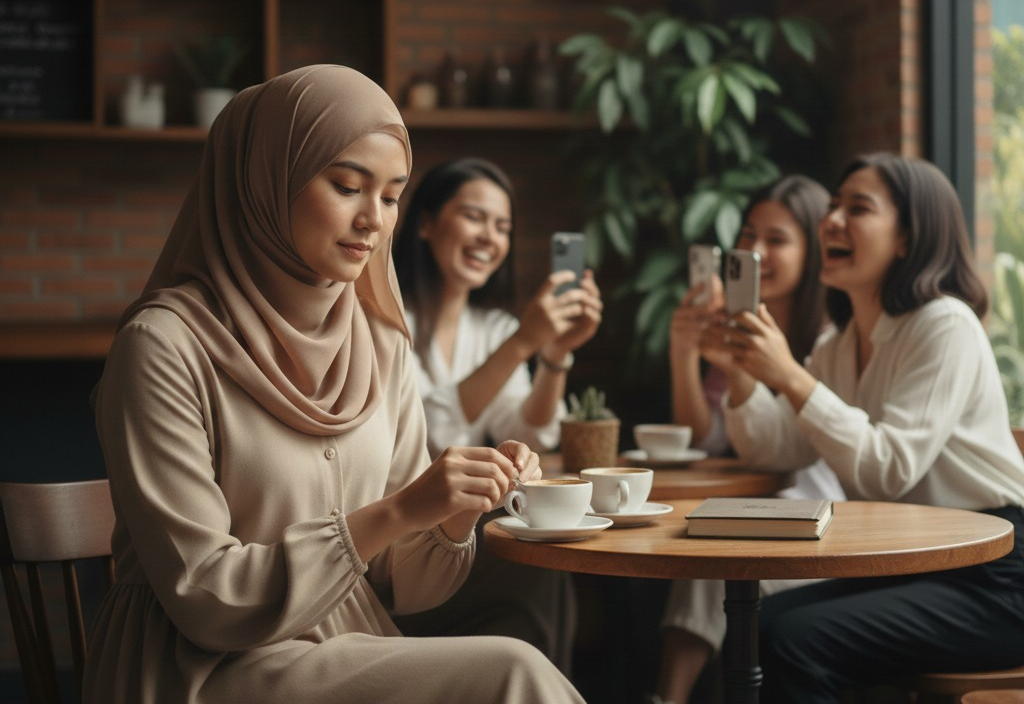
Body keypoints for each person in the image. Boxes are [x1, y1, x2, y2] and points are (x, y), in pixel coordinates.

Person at [83, 65, 585, 704]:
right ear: (266, 180)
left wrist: (455, 510)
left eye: (392, 196)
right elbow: (204, 596)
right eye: (348, 186)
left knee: (513, 656)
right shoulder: (163, 346)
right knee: (511, 672)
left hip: (346, 648)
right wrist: (397, 511)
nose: (373, 220)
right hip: (201, 669)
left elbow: (402, 586)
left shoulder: (380, 342)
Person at [708, 152, 1024, 703]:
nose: (831, 221)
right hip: (917, 565)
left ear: (907, 238)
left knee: (791, 641)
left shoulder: (944, 324)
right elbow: (773, 449)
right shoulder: (838, 345)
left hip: (995, 573)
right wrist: (740, 367)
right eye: (833, 206)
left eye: (858, 208)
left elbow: (888, 471)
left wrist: (791, 377)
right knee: (750, 631)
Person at [389, 157, 603, 674]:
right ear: (425, 223)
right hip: (402, 540)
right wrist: (523, 343)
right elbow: (427, 432)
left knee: (541, 567)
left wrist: (554, 354)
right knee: (537, 564)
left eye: (503, 226)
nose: (490, 236)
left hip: (467, 522)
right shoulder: (386, 321)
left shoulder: (494, 328)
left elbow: (529, 431)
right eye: (474, 217)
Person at [651, 175, 846, 704]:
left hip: (819, 519)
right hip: (757, 508)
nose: (756, 252)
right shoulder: (738, 325)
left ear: (812, 251)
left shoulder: (831, 340)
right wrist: (683, 353)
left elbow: (794, 450)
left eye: (777, 240)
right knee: (707, 551)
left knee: (712, 558)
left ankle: (666, 698)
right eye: (748, 236)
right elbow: (708, 439)